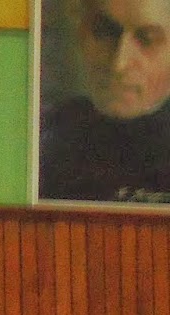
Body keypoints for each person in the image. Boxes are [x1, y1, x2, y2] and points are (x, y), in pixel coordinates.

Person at [39, 0, 170, 202]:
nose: (120, 63)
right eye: (105, 32)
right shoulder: (51, 136)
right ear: (82, 33)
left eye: (147, 40)